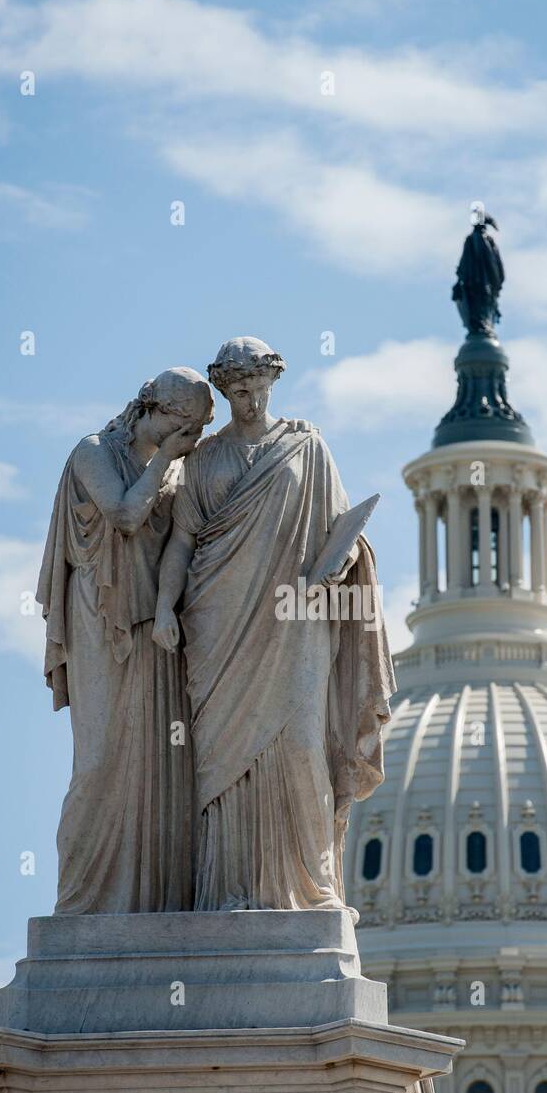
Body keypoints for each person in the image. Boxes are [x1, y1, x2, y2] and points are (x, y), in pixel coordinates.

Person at [153, 337, 395, 911]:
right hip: (216, 624)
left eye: (257, 388)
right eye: (237, 391)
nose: (249, 399)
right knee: (222, 760)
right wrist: (164, 607)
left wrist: (339, 569)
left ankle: (307, 888)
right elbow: (183, 540)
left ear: (273, 383)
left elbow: (344, 534)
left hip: (295, 620)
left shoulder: (307, 448)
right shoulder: (204, 459)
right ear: (223, 391)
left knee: (299, 745)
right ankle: (229, 889)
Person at [37, 367, 212, 913]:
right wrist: (165, 461)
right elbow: (125, 514)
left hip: (156, 627)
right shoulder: (93, 452)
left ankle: (152, 903)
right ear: (153, 410)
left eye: (201, 431)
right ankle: (83, 901)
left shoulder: (179, 472)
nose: (194, 442)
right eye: (186, 427)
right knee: (101, 756)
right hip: (102, 614)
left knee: (162, 760)